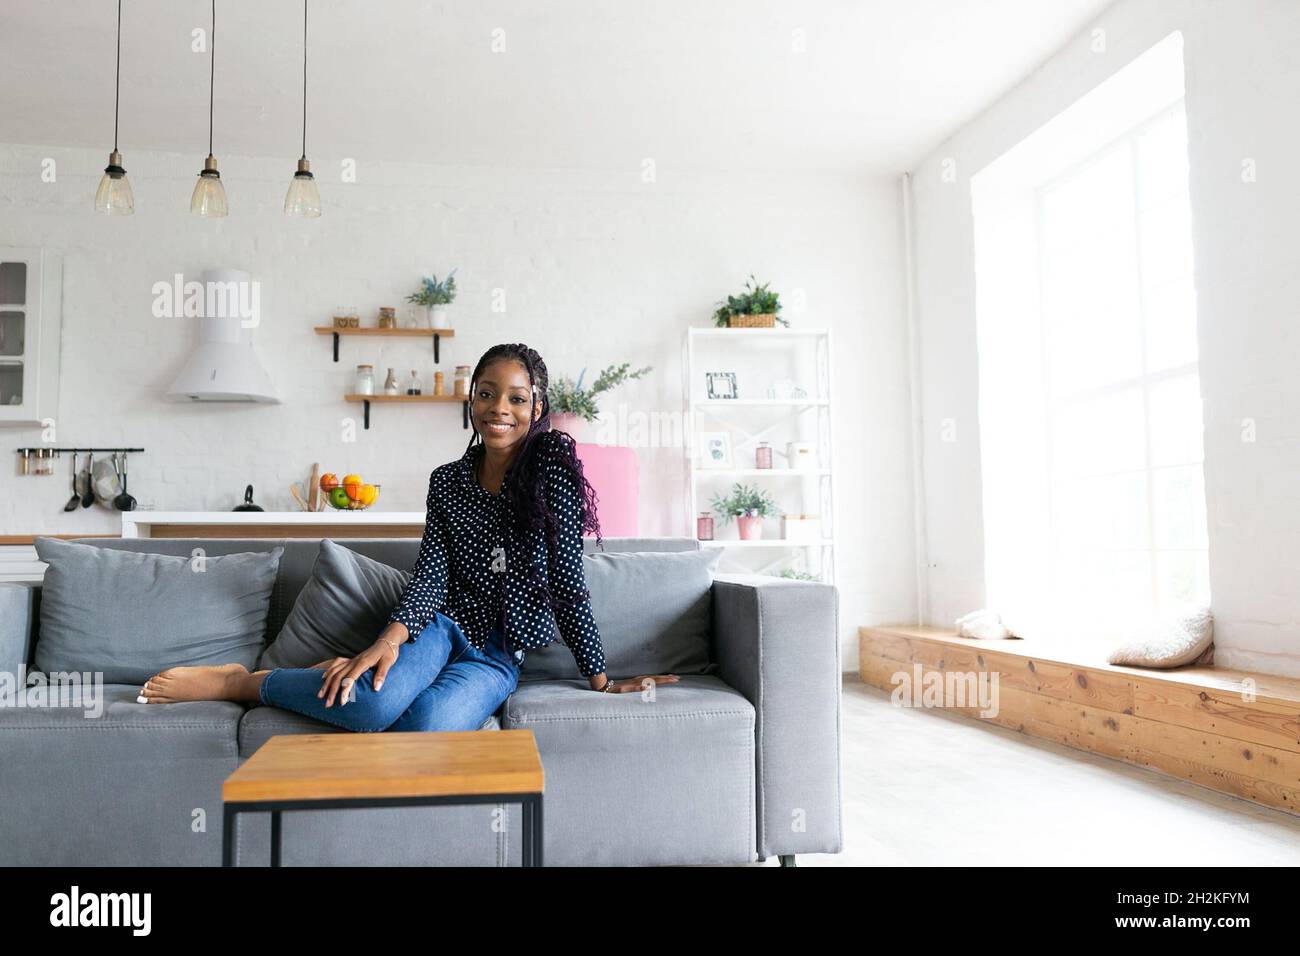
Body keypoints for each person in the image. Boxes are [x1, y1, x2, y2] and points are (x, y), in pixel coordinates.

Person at [138, 343, 679, 732]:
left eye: (516, 399)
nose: (499, 409)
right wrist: (386, 642)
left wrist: (601, 680)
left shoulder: (552, 475)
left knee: (424, 725)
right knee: (371, 706)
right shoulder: (447, 482)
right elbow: (430, 578)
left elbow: (567, 579)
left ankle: (342, 678)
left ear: (535, 408)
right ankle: (240, 681)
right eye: (487, 394)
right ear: (472, 401)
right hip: (439, 627)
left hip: (497, 655)